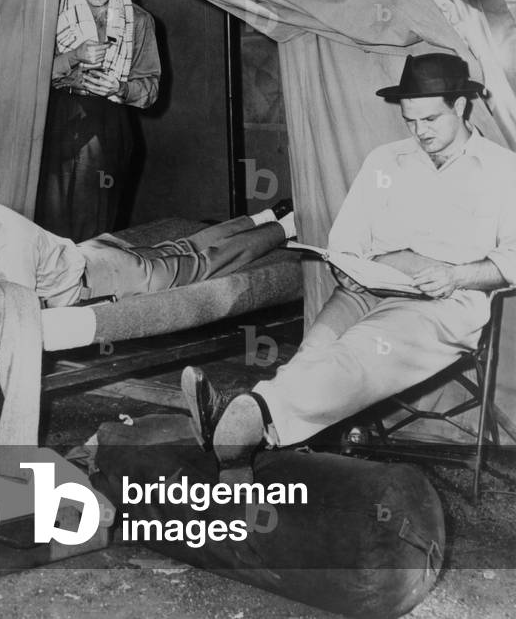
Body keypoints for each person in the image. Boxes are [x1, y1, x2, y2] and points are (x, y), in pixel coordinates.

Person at [182, 53, 516, 474]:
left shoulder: (502, 170)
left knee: (355, 355)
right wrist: (345, 267)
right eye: (410, 121)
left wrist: (456, 275)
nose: (419, 132)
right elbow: (348, 236)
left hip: (443, 301)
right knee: (314, 353)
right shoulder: (385, 160)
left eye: (430, 119)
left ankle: (247, 416)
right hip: (367, 288)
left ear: (461, 106)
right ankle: (247, 444)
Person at [0, 158, 296, 308]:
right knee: (182, 246)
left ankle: (280, 227)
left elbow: (12, 308)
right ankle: (260, 217)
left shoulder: (7, 238)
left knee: (200, 263)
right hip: (88, 255)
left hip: (106, 274)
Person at [34, 0, 161, 241]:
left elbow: (151, 89)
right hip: (55, 116)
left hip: (110, 121)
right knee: (47, 222)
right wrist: (73, 56)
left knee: (98, 222)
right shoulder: (47, 13)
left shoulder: (140, 21)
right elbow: (24, 77)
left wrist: (122, 89)